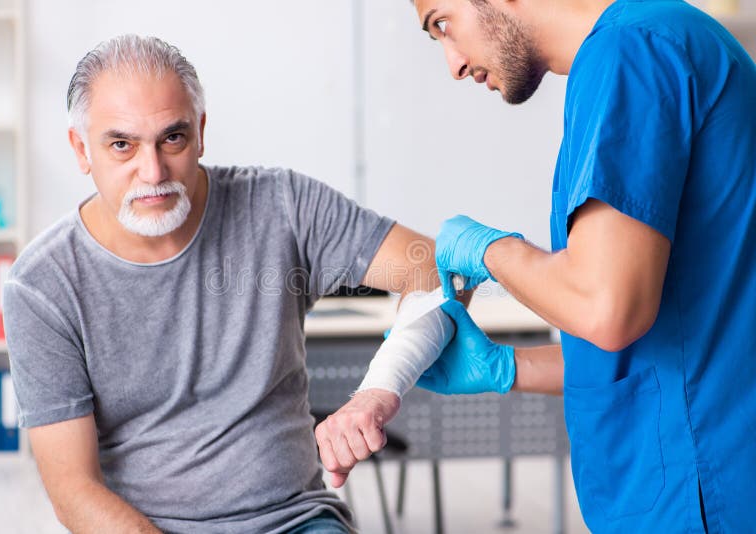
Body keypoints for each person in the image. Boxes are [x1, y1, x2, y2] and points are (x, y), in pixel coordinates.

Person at [315, 0, 756, 531]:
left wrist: (489, 251)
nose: (453, 63)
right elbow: (672, 341)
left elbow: (606, 309)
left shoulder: (629, 54)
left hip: (703, 493)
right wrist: (509, 368)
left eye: (442, 23)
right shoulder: (650, 42)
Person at [3, 34, 439, 534]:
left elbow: (433, 272)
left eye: (173, 138)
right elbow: (73, 491)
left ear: (201, 132)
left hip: (294, 521)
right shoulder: (41, 286)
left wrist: (377, 392)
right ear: (81, 149)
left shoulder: (282, 206)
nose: (152, 172)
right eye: (121, 144)